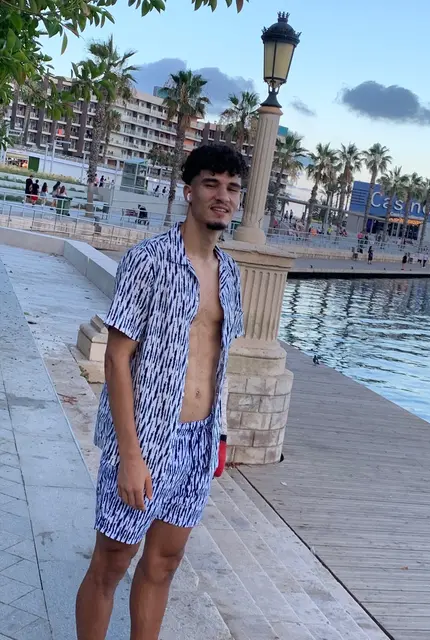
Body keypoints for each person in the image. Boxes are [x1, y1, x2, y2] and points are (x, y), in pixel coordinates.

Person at [76, 143, 247, 640]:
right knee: (112, 562)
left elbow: (217, 361)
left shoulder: (230, 274)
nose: (223, 196)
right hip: (145, 440)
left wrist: (218, 436)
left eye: (232, 187)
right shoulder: (148, 260)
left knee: (164, 563)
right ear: (189, 190)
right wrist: (130, 455)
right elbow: (116, 358)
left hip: (198, 442)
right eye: (211, 183)